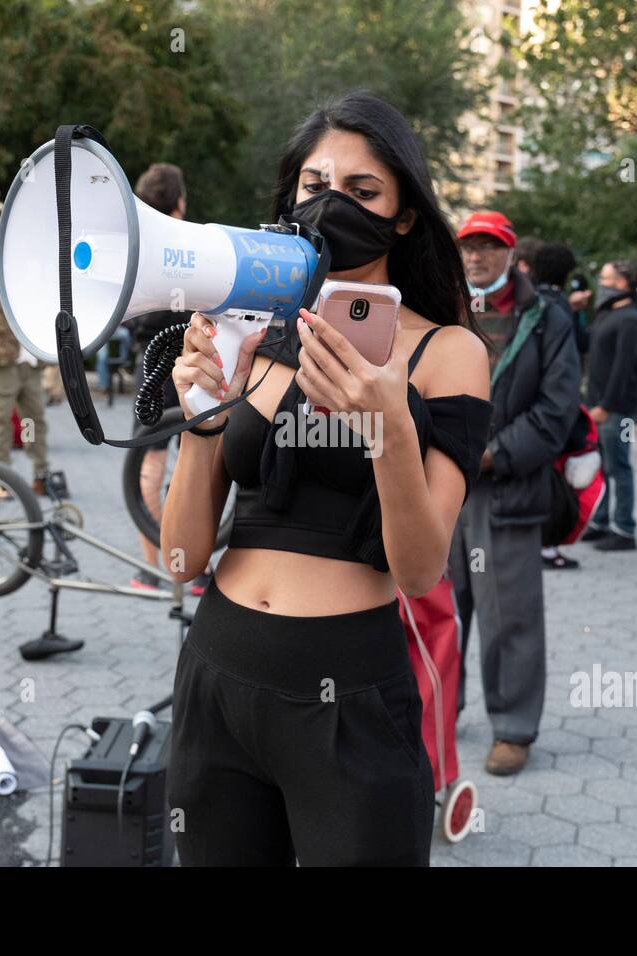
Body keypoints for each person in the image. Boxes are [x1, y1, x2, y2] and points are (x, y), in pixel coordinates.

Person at [158, 91, 493, 866]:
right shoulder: (252, 326)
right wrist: (204, 417)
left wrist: (389, 427)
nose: (331, 204)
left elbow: (418, 571)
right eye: (314, 186)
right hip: (218, 676)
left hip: (346, 697)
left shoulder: (447, 355)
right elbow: (179, 560)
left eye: (362, 190)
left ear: (405, 214)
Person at [450, 212, 580, 775]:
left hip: (507, 487)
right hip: (439, 487)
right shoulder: (443, 305)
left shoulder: (545, 318)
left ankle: (513, 728)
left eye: (489, 247)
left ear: (510, 253)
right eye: (469, 247)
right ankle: (438, 705)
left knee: (511, 617)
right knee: (438, 610)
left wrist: (491, 454)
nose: (477, 257)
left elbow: (556, 412)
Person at [120, 162, 210, 594]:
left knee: (148, 461)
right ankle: (194, 566)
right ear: (178, 200)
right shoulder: (193, 240)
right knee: (197, 454)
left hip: (150, 361)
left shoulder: (136, 243)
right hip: (192, 356)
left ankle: (151, 566)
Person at [514, 236, 587, 570]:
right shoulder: (556, 309)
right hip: (546, 414)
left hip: (520, 413)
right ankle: (546, 545)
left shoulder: (525, 304)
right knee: (552, 482)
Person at [0, 201, 51, 496]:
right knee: (0, 418)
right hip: (0, 353)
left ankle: (40, 473)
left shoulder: (29, 254)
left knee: (32, 418)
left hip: (27, 353)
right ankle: (2, 477)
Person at [580, 259, 637, 551]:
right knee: (602, 467)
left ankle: (625, 529)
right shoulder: (606, 315)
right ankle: (600, 521)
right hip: (599, 406)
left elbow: (624, 368)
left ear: (622, 283)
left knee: (618, 466)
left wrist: (606, 406)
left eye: (606, 278)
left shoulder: (630, 320)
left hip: (617, 411)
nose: (601, 283)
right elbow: (586, 346)